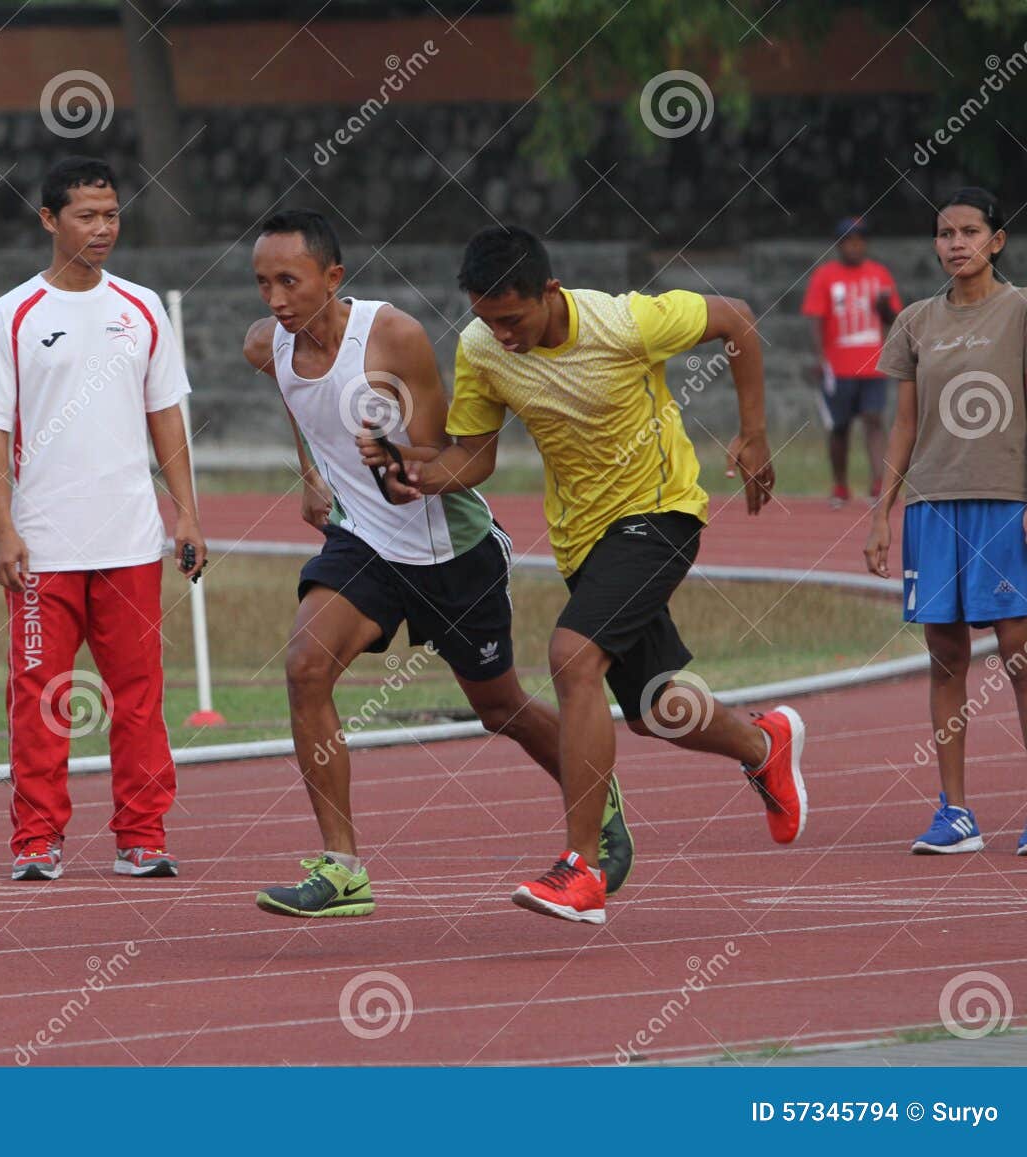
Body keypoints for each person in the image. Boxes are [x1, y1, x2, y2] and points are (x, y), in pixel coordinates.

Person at [363, 225, 807, 925]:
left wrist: (753, 433)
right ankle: (764, 743)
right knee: (660, 710)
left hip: (661, 512)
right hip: (584, 542)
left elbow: (738, 321)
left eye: (512, 318)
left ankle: (581, 868)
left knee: (572, 655)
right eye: (486, 318)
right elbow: (473, 459)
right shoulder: (481, 347)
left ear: (549, 291)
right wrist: (412, 470)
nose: (500, 334)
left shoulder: (625, 321)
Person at [243, 209, 633, 919]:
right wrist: (311, 472)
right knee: (305, 665)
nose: (274, 300)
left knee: (499, 705)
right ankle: (343, 868)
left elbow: (443, 453)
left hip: (449, 550)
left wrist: (392, 449)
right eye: (263, 282)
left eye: (289, 282)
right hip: (366, 545)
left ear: (334, 277)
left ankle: (592, 788)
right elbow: (293, 394)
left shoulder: (394, 336)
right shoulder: (268, 344)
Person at [0, 156, 206, 881]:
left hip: (129, 538)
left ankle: (142, 833)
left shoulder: (142, 308)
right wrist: (4, 529)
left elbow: (167, 415)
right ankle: (36, 838)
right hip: (43, 544)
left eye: (112, 215)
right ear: (48, 220)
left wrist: (186, 512)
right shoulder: (14, 315)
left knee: (140, 694)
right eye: (86, 216)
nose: (103, 229)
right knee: (39, 697)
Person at [864, 187, 1027, 856]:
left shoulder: (1019, 311)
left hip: (1005, 501)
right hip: (933, 507)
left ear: (996, 240)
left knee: (1020, 658)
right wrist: (882, 512)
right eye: (944, 232)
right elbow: (904, 424)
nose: (955, 242)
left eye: (969, 230)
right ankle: (955, 812)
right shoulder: (915, 322)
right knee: (946, 659)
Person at [802, 217, 902, 508]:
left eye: (860, 241)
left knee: (874, 420)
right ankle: (840, 485)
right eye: (849, 241)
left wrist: (884, 307)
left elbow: (893, 318)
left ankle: (877, 483)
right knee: (839, 428)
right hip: (838, 366)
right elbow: (816, 320)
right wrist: (820, 358)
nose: (855, 246)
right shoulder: (825, 276)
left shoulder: (879, 274)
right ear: (839, 245)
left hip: (873, 364)